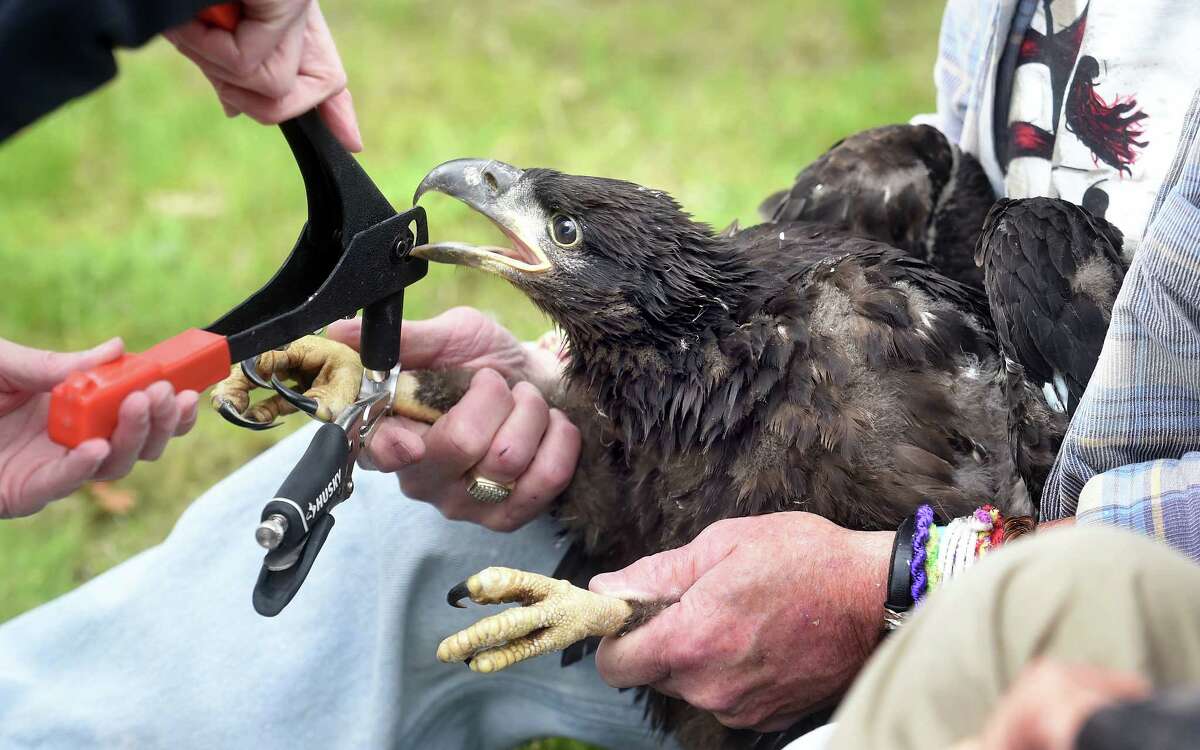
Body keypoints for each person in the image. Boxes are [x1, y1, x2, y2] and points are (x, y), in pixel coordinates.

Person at [5, 2, 1200, 750]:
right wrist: (559, 383)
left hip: (1095, 655)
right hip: (829, 517)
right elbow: (950, 214)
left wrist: (903, 581)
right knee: (380, 524)